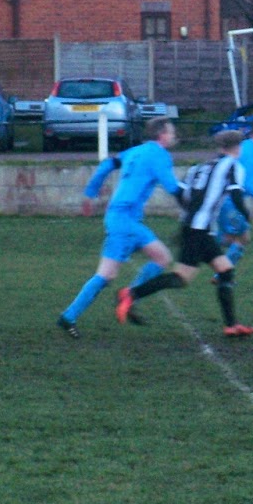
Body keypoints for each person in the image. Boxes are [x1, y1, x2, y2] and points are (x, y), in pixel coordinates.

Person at [115, 129, 253, 337]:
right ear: (239, 147)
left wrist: (189, 219)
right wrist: (247, 215)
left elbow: (183, 194)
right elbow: (235, 194)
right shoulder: (234, 166)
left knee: (225, 270)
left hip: (198, 228)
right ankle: (130, 294)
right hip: (198, 230)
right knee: (181, 278)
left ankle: (231, 325)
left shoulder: (200, 167)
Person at [57, 117, 184, 338]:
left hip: (123, 218)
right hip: (125, 221)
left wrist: (90, 192)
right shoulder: (160, 155)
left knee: (161, 258)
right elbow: (173, 187)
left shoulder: (135, 151)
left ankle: (128, 296)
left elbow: (108, 164)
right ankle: (71, 315)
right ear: (162, 135)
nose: (174, 136)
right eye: (171, 132)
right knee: (106, 275)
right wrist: (195, 205)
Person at [218, 118, 253, 265]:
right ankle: (222, 274)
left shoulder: (250, 148)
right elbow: (246, 184)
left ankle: (220, 269)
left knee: (234, 238)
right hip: (229, 200)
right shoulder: (252, 151)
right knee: (242, 238)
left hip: (224, 199)